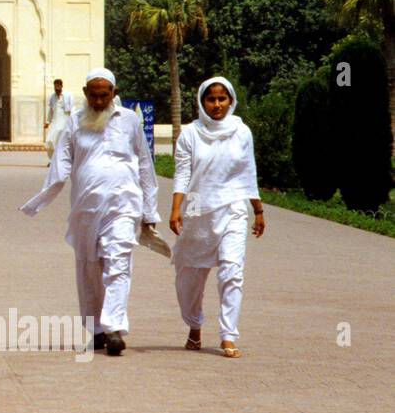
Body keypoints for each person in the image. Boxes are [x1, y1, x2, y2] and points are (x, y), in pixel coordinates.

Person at [19, 68, 160, 356]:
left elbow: (145, 166)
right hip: (86, 208)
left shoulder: (130, 121)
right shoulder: (74, 123)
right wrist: (39, 201)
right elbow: (61, 164)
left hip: (123, 206)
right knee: (89, 268)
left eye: (104, 95)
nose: (98, 101)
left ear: (114, 94)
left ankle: (114, 328)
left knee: (118, 262)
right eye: (93, 96)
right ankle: (95, 329)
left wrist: (150, 211)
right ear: (85, 94)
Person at [169, 76, 265, 359]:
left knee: (232, 272)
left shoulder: (241, 131)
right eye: (211, 99)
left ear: (231, 100)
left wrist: (257, 210)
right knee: (191, 277)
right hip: (198, 209)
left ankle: (228, 335)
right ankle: (194, 326)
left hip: (234, 208)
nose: (217, 104)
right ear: (202, 101)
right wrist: (176, 208)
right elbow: (183, 173)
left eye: (222, 98)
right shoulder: (190, 133)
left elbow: (248, 172)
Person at [44, 78, 74, 160]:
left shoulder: (68, 95)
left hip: (65, 120)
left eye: (58, 87)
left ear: (61, 86)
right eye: (55, 87)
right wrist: (47, 122)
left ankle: (63, 159)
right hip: (55, 121)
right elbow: (51, 111)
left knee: (62, 141)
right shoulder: (52, 97)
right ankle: (52, 160)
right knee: (50, 140)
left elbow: (72, 109)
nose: (56, 89)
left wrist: (72, 122)